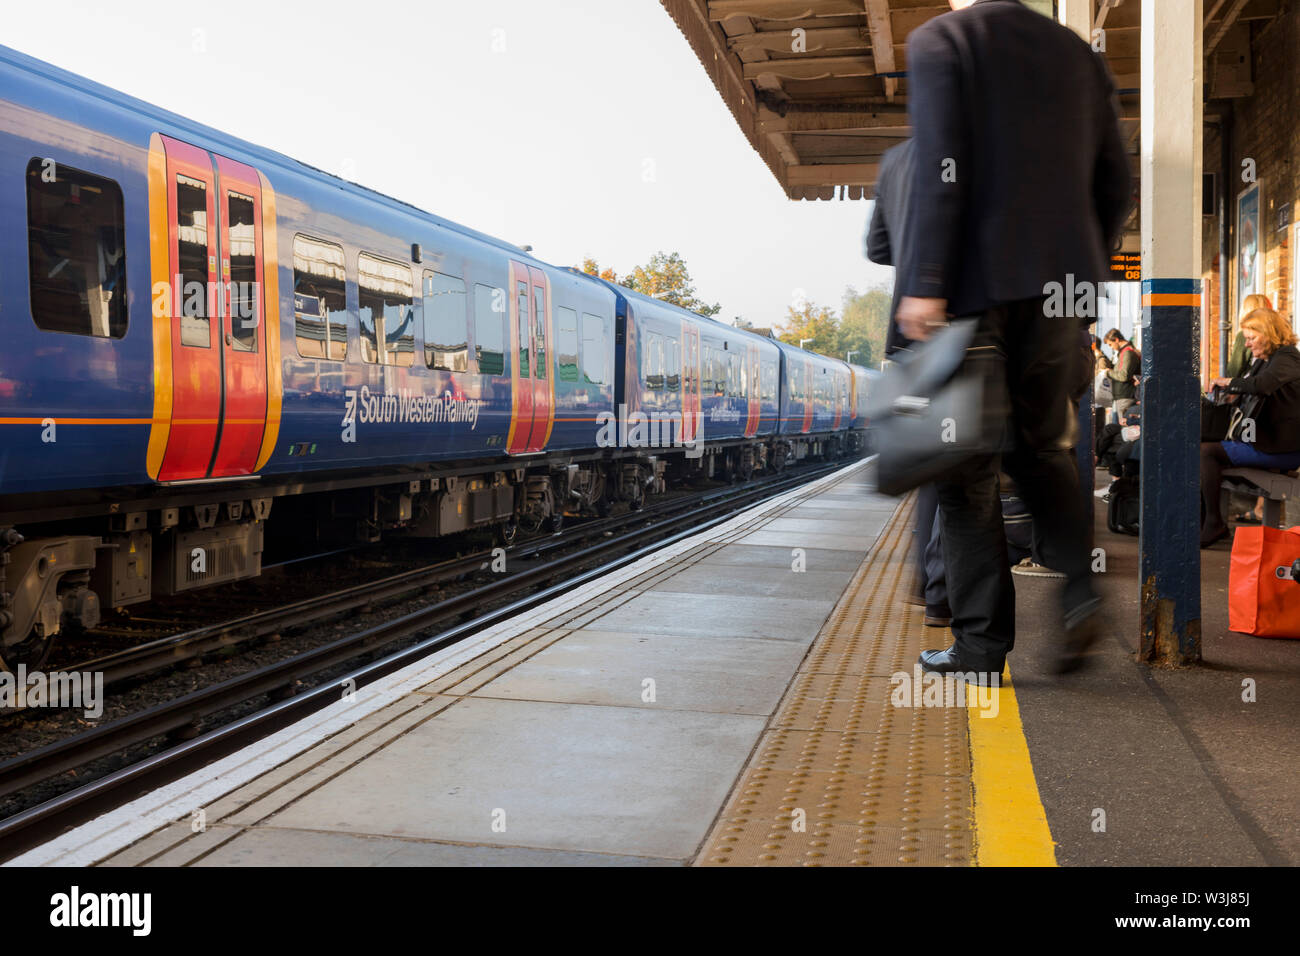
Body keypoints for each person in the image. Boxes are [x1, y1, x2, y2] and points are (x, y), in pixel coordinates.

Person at [895, 0, 1132, 676]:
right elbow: (1116, 184)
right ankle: (1080, 594)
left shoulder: (944, 41)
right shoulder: (1077, 56)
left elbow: (943, 164)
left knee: (965, 471)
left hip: (976, 287)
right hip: (1066, 286)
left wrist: (926, 281)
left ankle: (980, 647)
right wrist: (1086, 257)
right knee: (1042, 450)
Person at [866, 139, 951, 627]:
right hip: (959, 339)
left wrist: (913, 261)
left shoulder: (895, 158)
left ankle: (929, 583)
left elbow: (878, 247)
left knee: (932, 467)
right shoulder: (979, 149)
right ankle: (943, 590)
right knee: (967, 468)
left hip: (909, 345)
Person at [1199, 308, 1300, 548]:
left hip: (1282, 447)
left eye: (1251, 338)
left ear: (1268, 333)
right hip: (1266, 439)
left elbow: (1262, 386)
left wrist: (1229, 382)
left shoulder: (1288, 357)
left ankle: (1214, 523)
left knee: (1205, 452)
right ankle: (1204, 521)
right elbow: (1252, 390)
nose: (1247, 344)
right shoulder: (1265, 361)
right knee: (1201, 446)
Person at [1103, 329, 1140, 423]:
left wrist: (1108, 372)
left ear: (1116, 339)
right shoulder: (1125, 352)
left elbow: (1124, 375)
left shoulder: (1128, 353)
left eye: (1110, 344)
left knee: (1122, 428)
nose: (1111, 348)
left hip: (1125, 397)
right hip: (1122, 397)